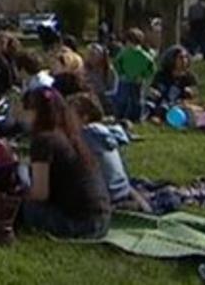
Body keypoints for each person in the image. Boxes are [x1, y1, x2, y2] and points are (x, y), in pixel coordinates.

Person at [21, 87, 111, 238]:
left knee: (16, 206)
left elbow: (40, 194)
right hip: (101, 220)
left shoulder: (43, 141)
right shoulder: (70, 137)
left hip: (80, 225)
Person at [69, 92, 151, 212]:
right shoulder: (104, 133)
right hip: (123, 190)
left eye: (70, 115)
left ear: (84, 117)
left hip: (107, 197)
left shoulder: (85, 136)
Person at [113, 28, 155, 123]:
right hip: (125, 80)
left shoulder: (144, 55)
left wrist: (143, 76)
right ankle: (119, 116)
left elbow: (151, 68)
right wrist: (121, 73)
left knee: (137, 100)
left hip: (137, 81)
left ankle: (136, 118)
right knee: (122, 99)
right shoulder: (124, 53)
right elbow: (116, 63)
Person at [146, 45, 199, 121]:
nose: (184, 60)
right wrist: (153, 91)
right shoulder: (162, 75)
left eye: (185, 57)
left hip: (177, 104)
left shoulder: (190, 77)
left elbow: (194, 93)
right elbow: (154, 88)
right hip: (159, 100)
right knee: (149, 105)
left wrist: (190, 92)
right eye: (180, 58)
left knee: (165, 108)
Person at [83, 43, 117, 115]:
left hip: (104, 99)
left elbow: (113, 89)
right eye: (89, 54)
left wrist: (100, 93)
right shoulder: (84, 69)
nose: (91, 57)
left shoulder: (109, 70)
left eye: (93, 54)